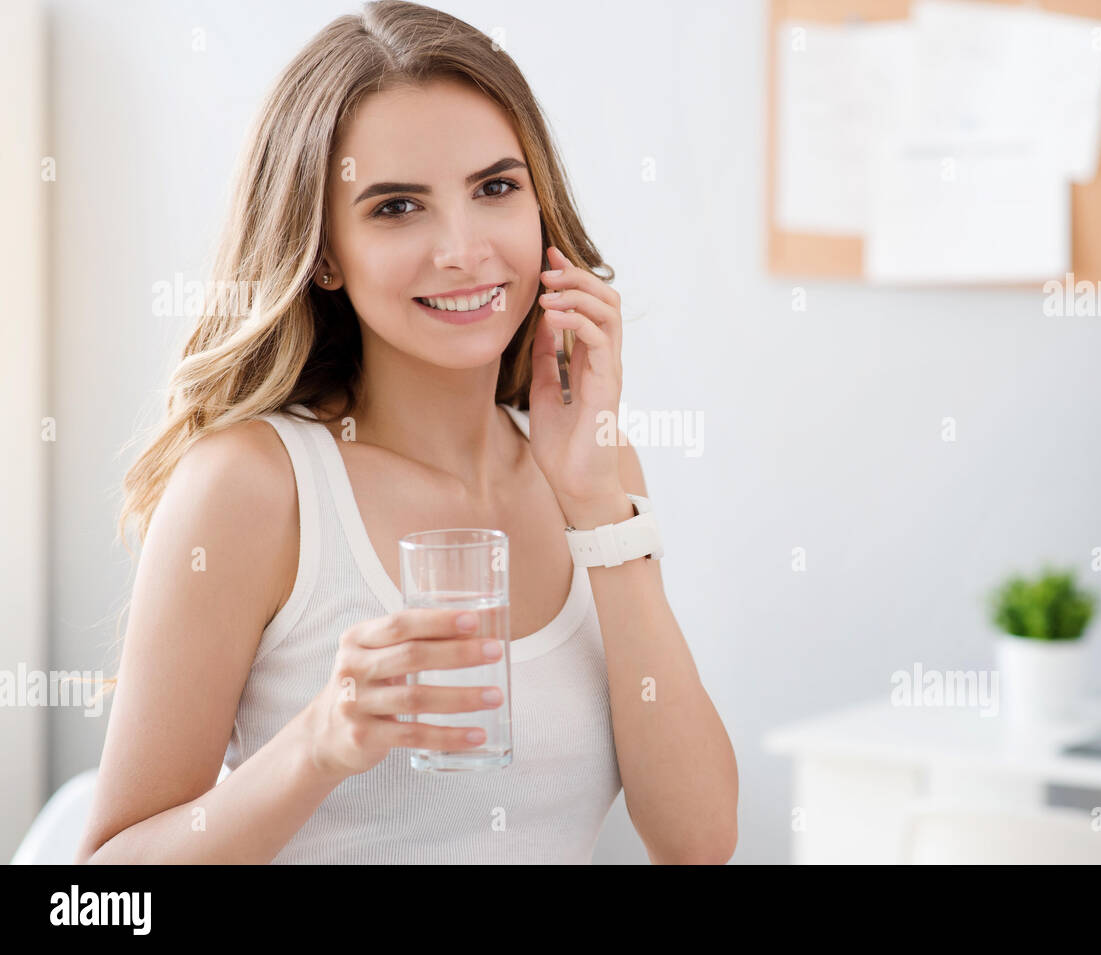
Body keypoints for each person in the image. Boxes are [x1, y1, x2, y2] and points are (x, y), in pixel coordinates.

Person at [75, 0, 736, 865]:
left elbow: (700, 842)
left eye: (495, 188)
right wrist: (316, 747)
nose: (461, 250)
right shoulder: (253, 485)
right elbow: (93, 896)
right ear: (323, 252)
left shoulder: (595, 471)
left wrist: (596, 500)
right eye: (396, 208)